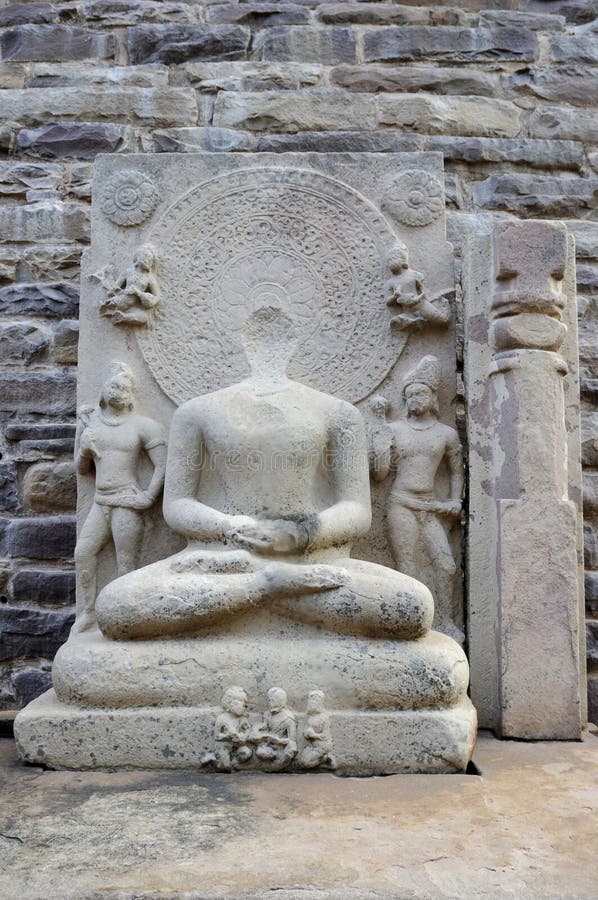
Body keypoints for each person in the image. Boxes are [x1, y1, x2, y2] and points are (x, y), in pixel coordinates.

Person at [95, 306, 433, 643]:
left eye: (278, 337)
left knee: (413, 607)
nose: (267, 346)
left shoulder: (339, 413)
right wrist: (228, 527)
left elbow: (357, 511)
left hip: (313, 562)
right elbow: (178, 505)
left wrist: (301, 534)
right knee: (115, 606)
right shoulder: (196, 412)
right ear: (241, 344)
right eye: (258, 337)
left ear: (296, 343)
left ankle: (264, 589)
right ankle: (267, 585)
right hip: (220, 562)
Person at [371, 355, 463, 640]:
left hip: (431, 505)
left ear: (433, 396)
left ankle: (445, 621)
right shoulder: (396, 430)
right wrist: (380, 441)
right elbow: (380, 475)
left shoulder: (446, 434)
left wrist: (455, 500)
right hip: (401, 502)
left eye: (420, 393)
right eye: (410, 395)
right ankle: (411, 621)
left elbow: (457, 472)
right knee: (407, 566)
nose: (415, 399)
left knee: (446, 566)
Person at [72, 363, 167, 633]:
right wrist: (83, 449)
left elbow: (162, 463)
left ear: (132, 393)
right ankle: (88, 612)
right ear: (104, 389)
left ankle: (123, 615)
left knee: (126, 563)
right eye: (115, 385)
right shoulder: (90, 425)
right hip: (100, 501)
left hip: (127, 501)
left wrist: (149, 496)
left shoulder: (143, 426)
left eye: (125, 387)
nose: (120, 391)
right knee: (83, 553)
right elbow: (81, 470)